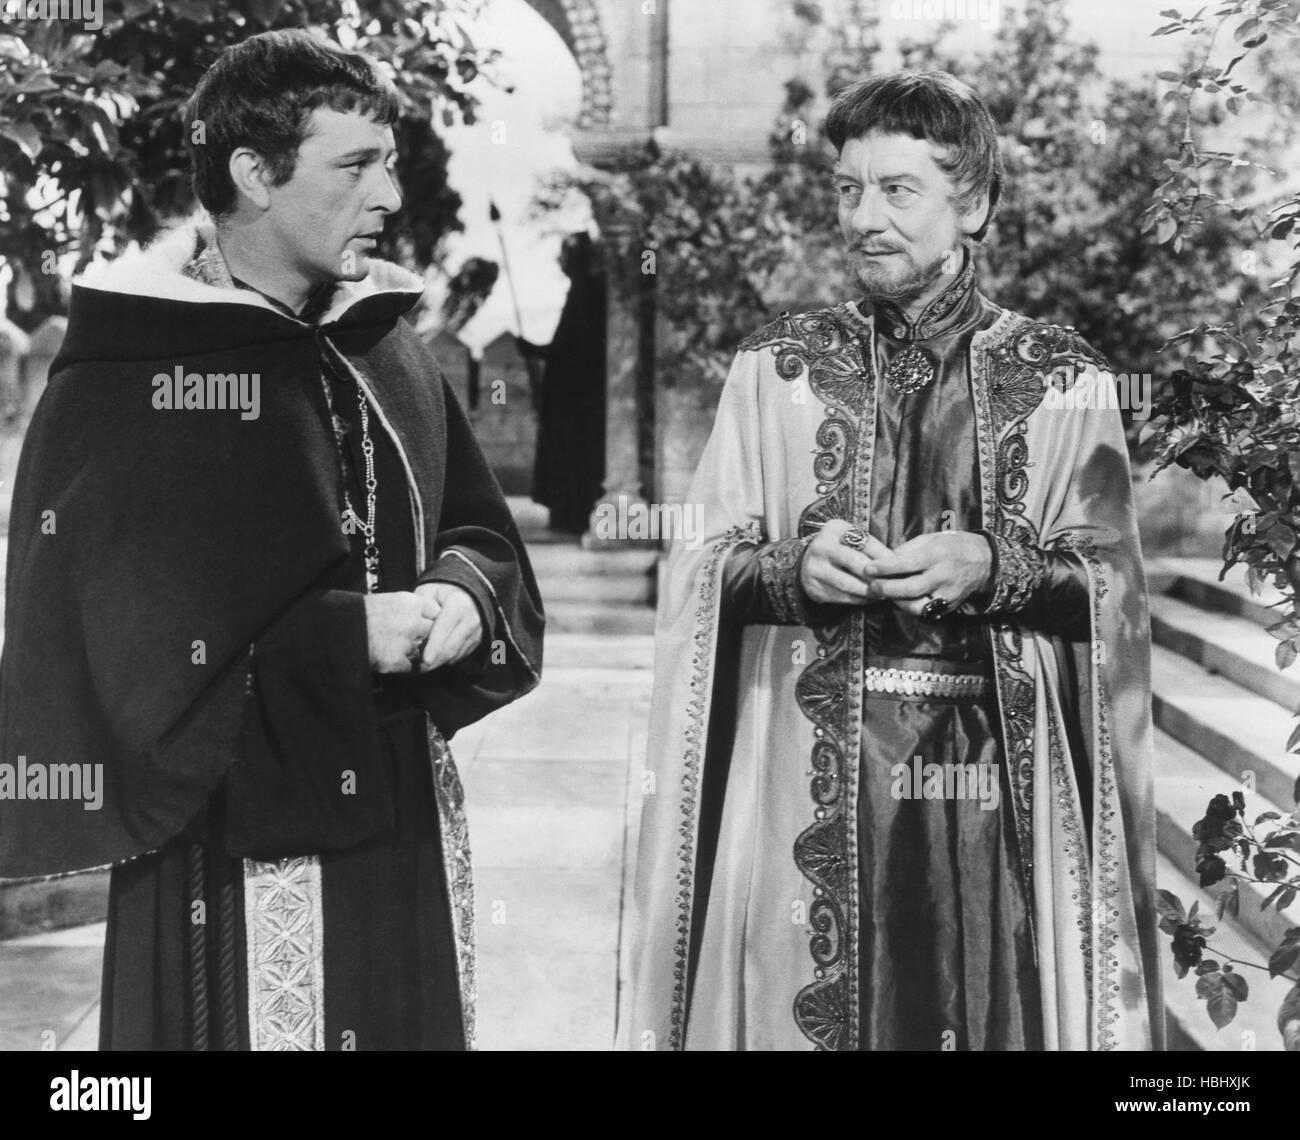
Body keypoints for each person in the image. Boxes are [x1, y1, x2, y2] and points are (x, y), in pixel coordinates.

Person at [0, 29, 543, 1051]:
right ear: (251, 172)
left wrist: (468, 596)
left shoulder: (379, 337)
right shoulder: (142, 362)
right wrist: (351, 639)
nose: (389, 197)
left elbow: (476, 522)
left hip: (398, 803)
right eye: (355, 167)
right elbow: (114, 642)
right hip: (229, 824)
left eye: (388, 163)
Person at [623, 70, 1160, 1051]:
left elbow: (1116, 594)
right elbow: (696, 569)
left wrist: (1000, 566)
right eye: (845, 188)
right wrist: (788, 568)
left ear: (976, 204)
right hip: (812, 789)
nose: (863, 217)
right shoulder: (776, 369)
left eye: (897, 190)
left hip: (997, 800)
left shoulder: (1061, 376)